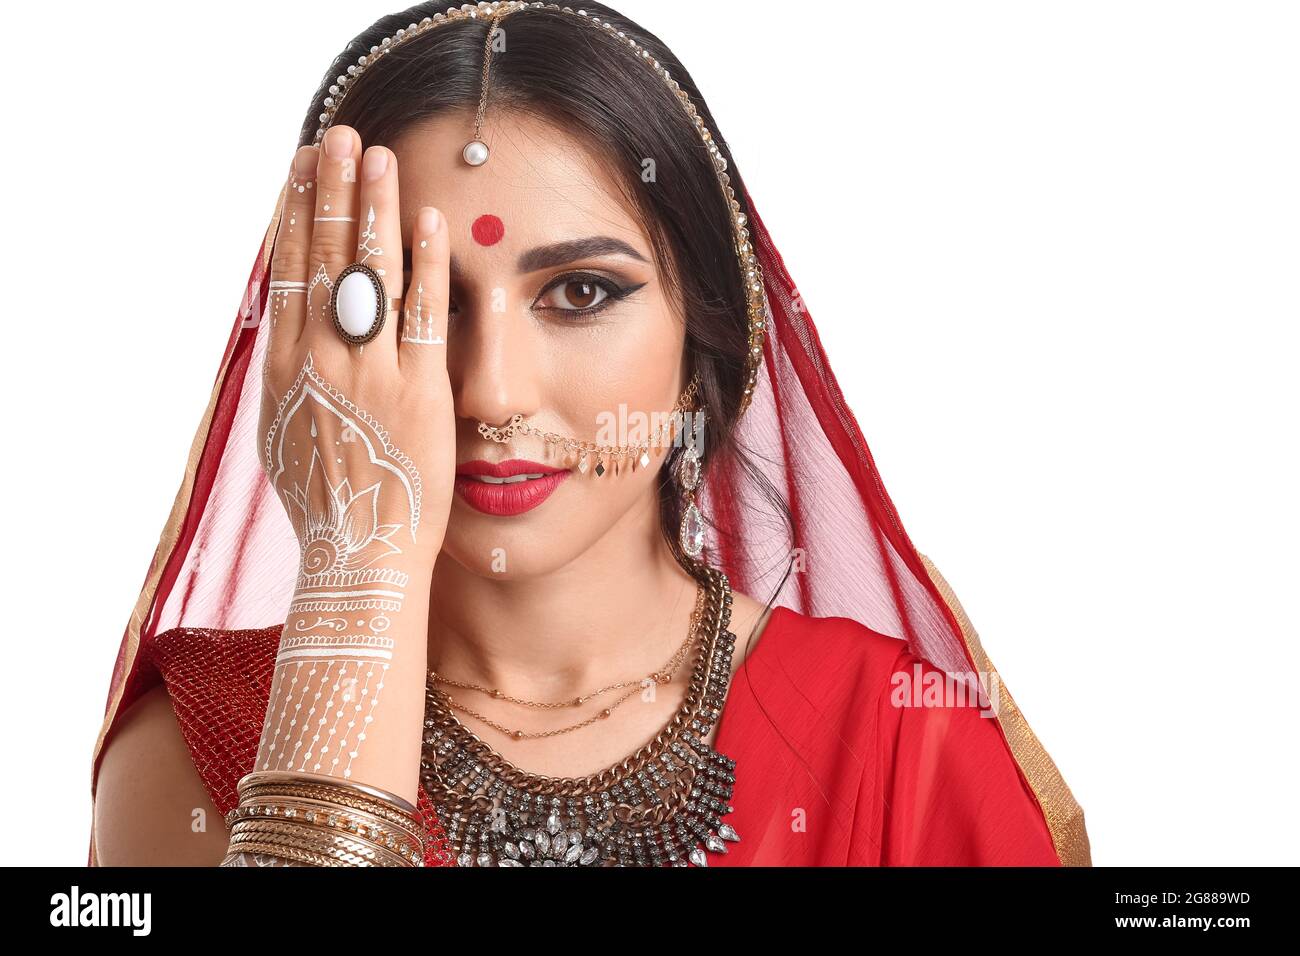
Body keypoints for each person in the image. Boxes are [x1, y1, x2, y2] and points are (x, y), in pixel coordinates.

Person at [88, 0, 1091, 867]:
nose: (487, 390)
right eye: (398, 300)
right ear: (309, 344)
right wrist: (357, 569)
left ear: (707, 331)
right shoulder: (200, 741)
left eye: (578, 292)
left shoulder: (903, 745)